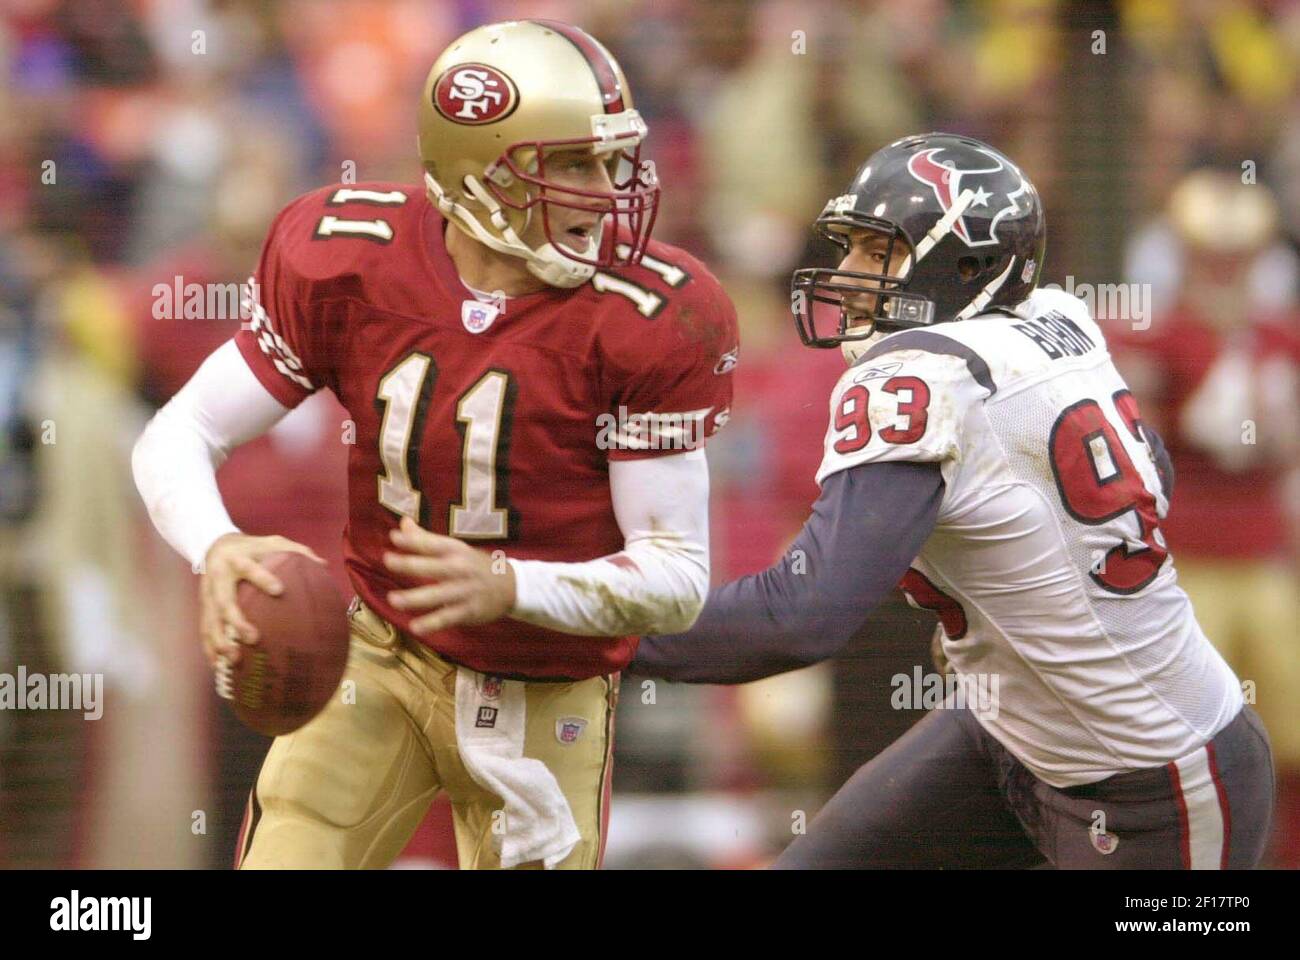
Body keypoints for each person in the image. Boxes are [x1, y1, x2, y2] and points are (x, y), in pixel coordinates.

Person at [132, 19, 739, 870]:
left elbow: (677, 578)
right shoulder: (348, 259)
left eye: (611, 159)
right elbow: (179, 434)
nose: (606, 190)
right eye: (570, 163)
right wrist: (217, 546)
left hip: (546, 690)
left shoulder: (653, 318)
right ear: (478, 169)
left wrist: (509, 584)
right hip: (381, 653)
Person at [632, 133, 1274, 869]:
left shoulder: (920, 378)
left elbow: (800, 617)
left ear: (963, 266)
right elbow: (1149, 470)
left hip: (1154, 782)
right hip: (1009, 726)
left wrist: (604, 639)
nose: (845, 275)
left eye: (876, 253)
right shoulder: (1057, 319)